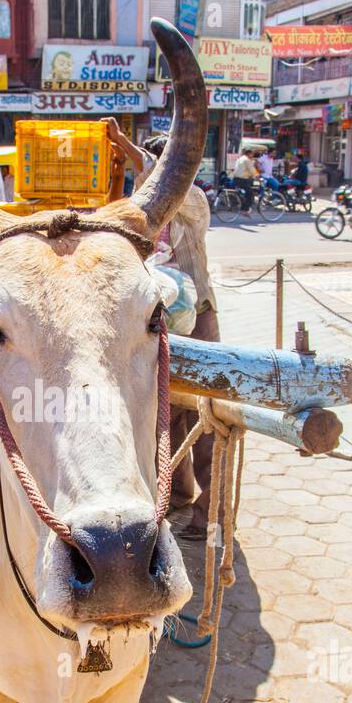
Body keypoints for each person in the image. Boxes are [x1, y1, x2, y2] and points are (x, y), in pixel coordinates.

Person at [105, 121, 220, 540]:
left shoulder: (192, 201)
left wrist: (126, 146)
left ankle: (212, 512)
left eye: (154, 173)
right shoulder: (146, 213)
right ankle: (178, 493)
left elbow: (165, 178)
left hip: (197, 318)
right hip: (161, 320)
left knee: (208, 415)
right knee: (166, 412)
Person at [232, 147, 258, 213]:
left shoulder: (240, 159)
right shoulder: (247, 160)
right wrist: (257, 176)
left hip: (235, 179)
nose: (252, 156)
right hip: (242, 179)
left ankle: (243, 206)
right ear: (249, 154)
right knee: (250, 194)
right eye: (252, 154)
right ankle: (245, 209)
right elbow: (252, 170)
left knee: (246, 192)